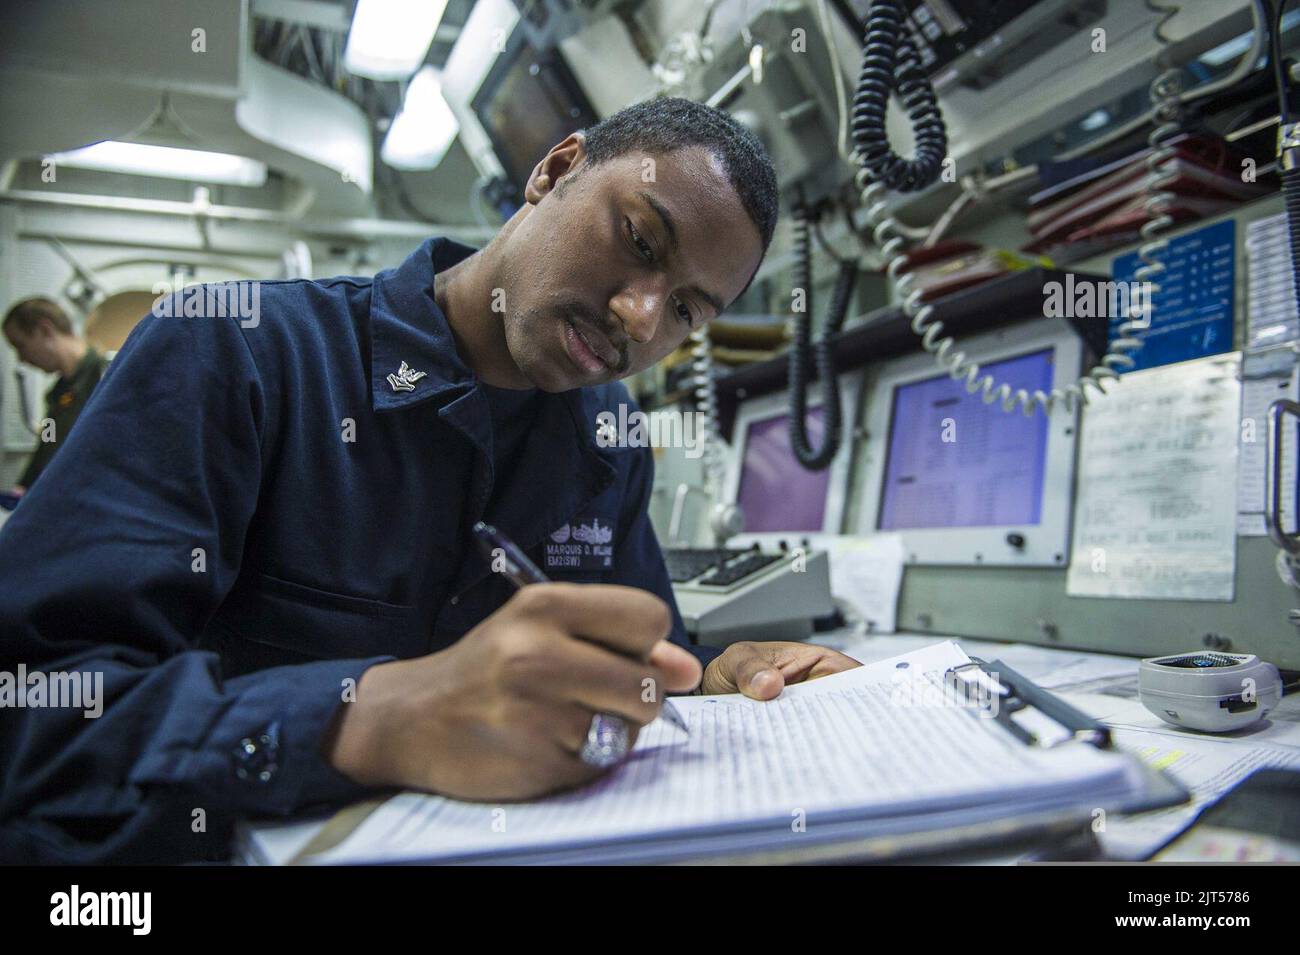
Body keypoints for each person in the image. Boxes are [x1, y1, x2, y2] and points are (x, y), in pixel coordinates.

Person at [0, 97, 859, 863]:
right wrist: (368, 717)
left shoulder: (609, 442)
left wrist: (716, 676)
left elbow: (640, 668)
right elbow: (33, 712)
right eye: (639, 239)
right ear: (554, 169)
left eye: (686, 310)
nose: (640, 316)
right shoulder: (235, 354)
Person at [2, 296, 109, 494]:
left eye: (21, 345)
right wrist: (25, 485)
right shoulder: (58, 394)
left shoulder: (105, 377)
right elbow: (49, 441)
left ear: (45, 330)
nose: (21, 359)